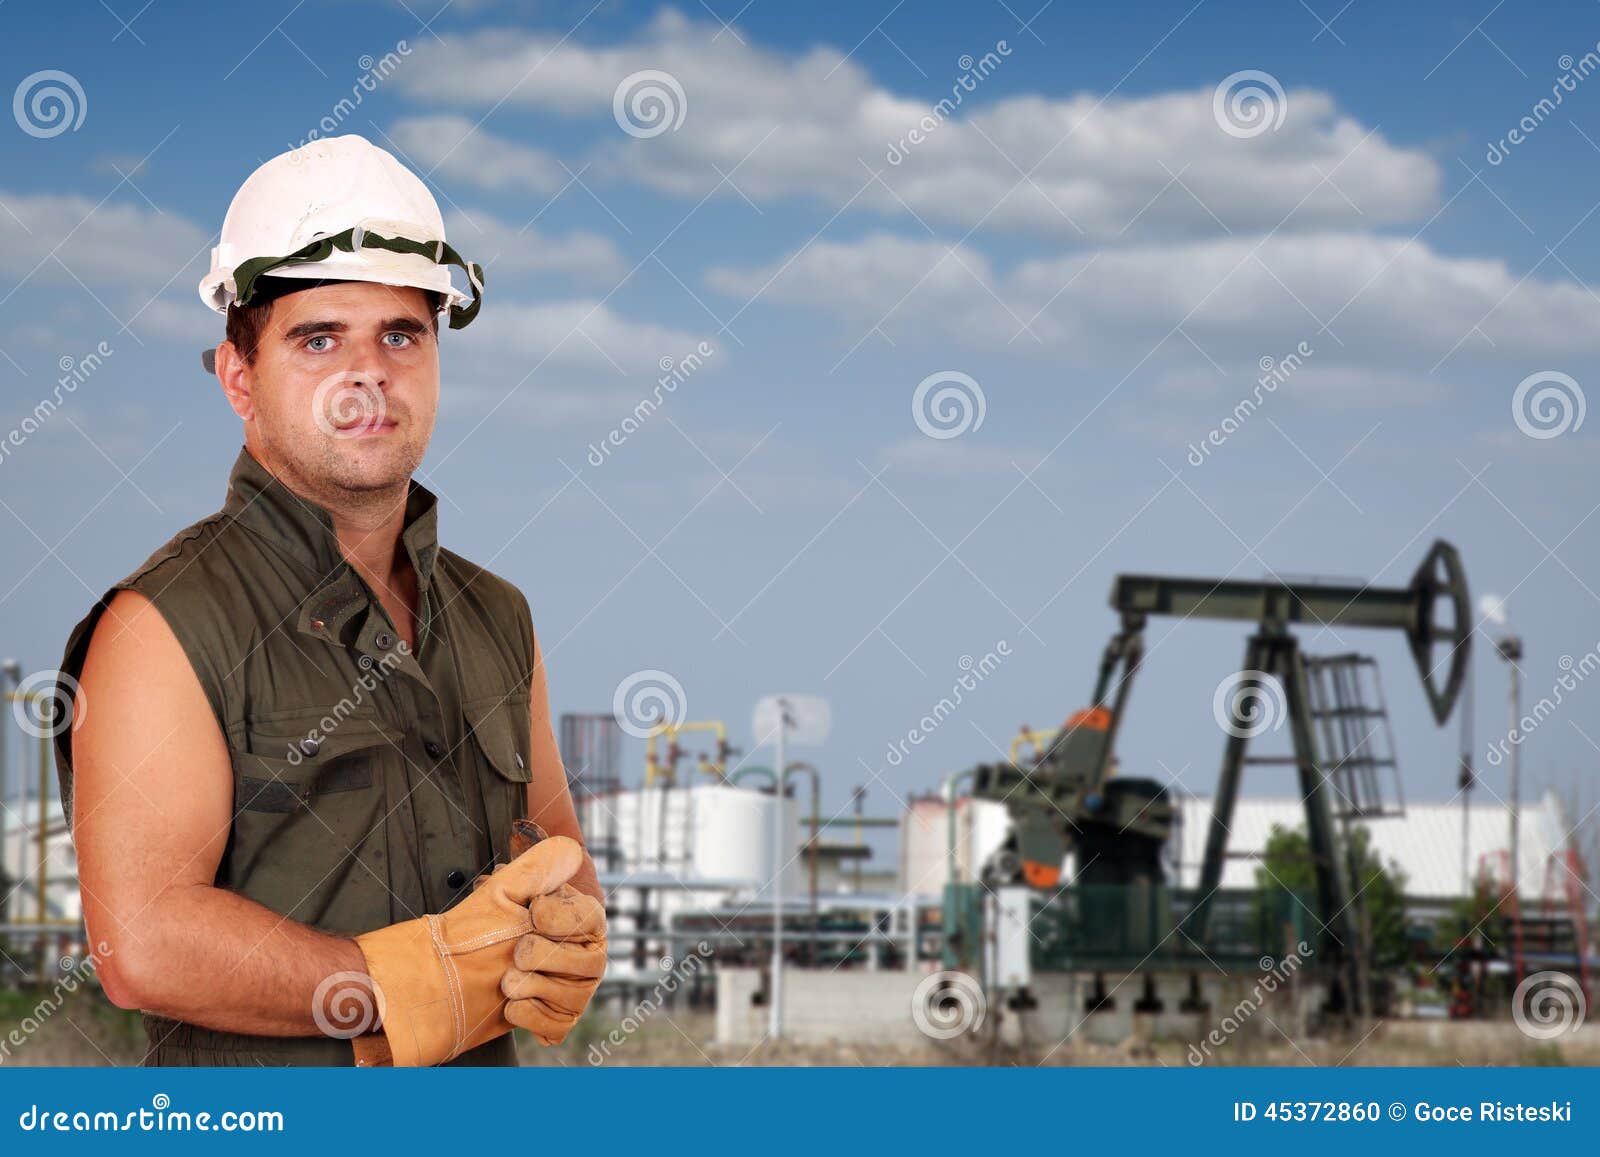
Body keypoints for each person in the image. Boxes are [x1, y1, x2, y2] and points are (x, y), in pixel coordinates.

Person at [50, 134, 606, 1066]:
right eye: (319, 339)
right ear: (239, 376)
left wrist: (571, 927)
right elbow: (142, 944)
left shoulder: (496, 615)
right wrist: (397, 983)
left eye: (401, 334)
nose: (369, 375)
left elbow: (558, 854)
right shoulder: (163, 625)